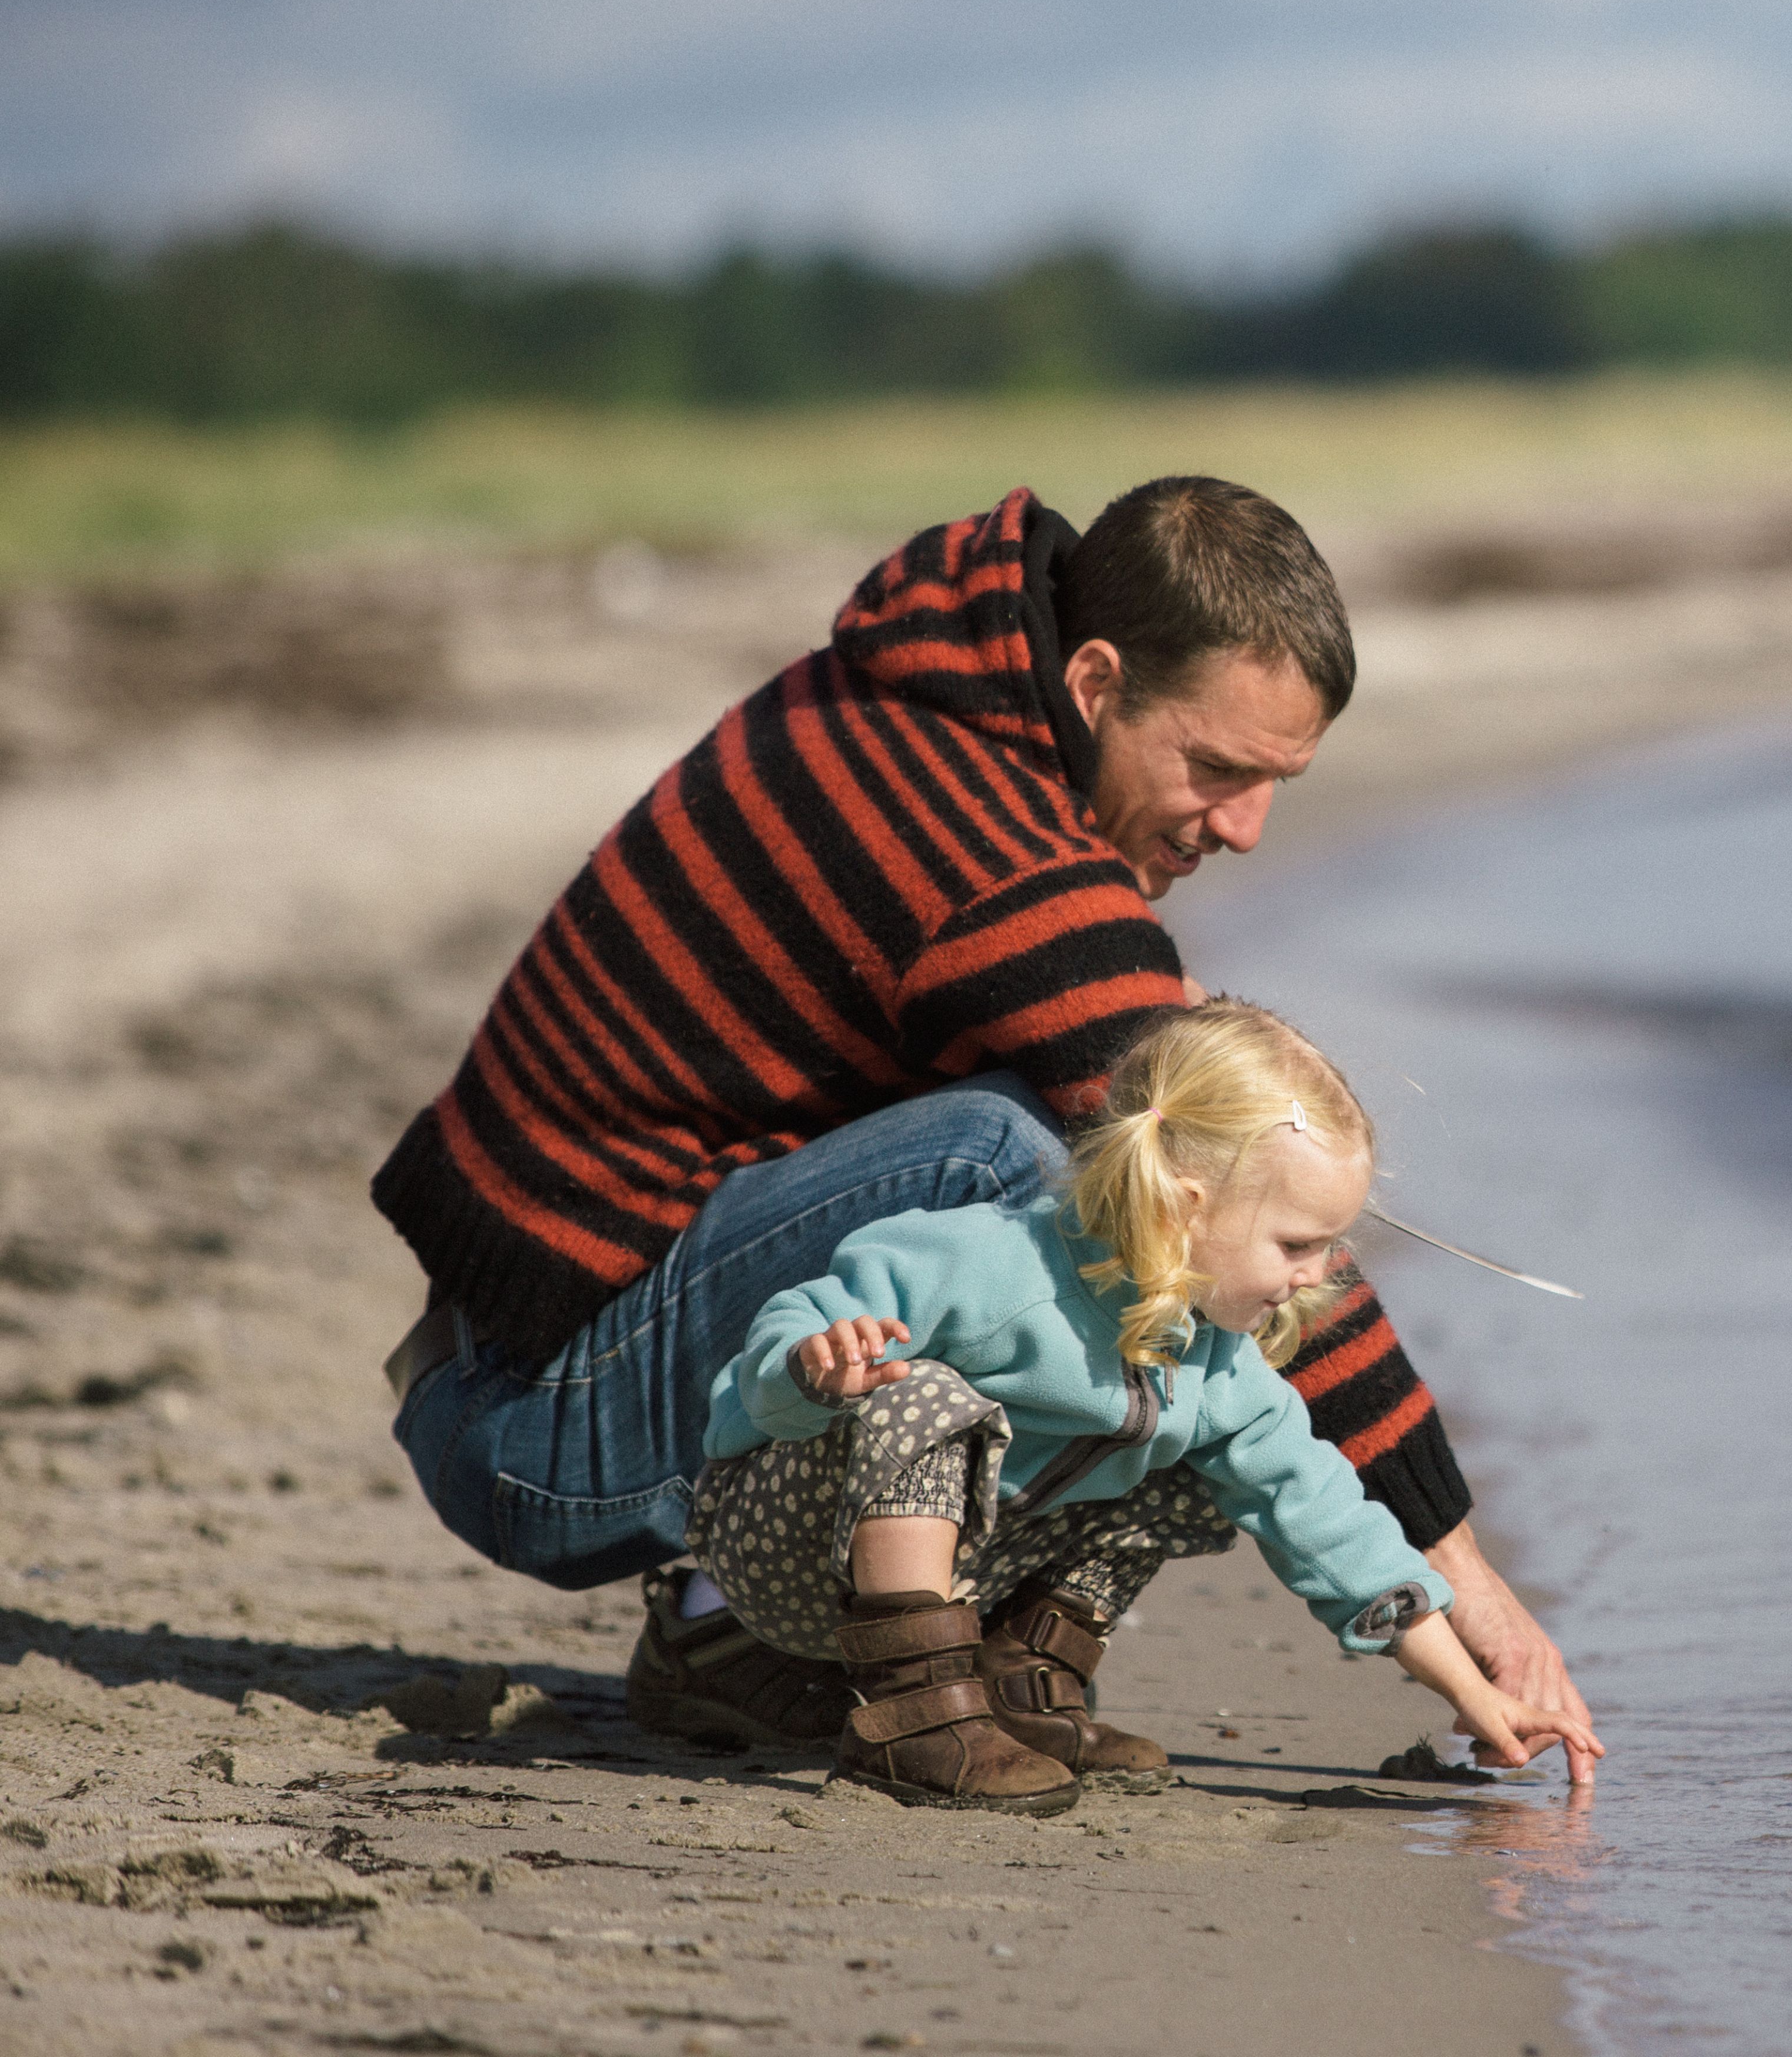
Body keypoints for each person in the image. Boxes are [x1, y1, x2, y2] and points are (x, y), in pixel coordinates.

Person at [372, 476, 1595, 1778]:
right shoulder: (995, 856)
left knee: (1118, 1243)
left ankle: (749, 1636)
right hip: (534, 1424)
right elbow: (1243, 1184)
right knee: (1049, 1166)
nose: (1245, 829)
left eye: (1277, 783)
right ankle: (881, 1667)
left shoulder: (937, 704)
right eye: (1220, 769)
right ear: (1095, 684)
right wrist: (1470, 1579)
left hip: (564, 1339)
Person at [688, 1000, 1604, 1812]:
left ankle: (1020, 1684)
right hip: (787, 1544)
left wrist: (1470, 1695)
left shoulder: (1215, 1366)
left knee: (1219, 1473)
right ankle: (915, 1720)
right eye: (1298, 1243)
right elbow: (785, 1342)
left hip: (967, 1579)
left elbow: (1326, 1519)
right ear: (1182, 1207)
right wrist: (812, 1372)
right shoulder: (987, 1266)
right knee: (923, 1393)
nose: (1323, 1274)